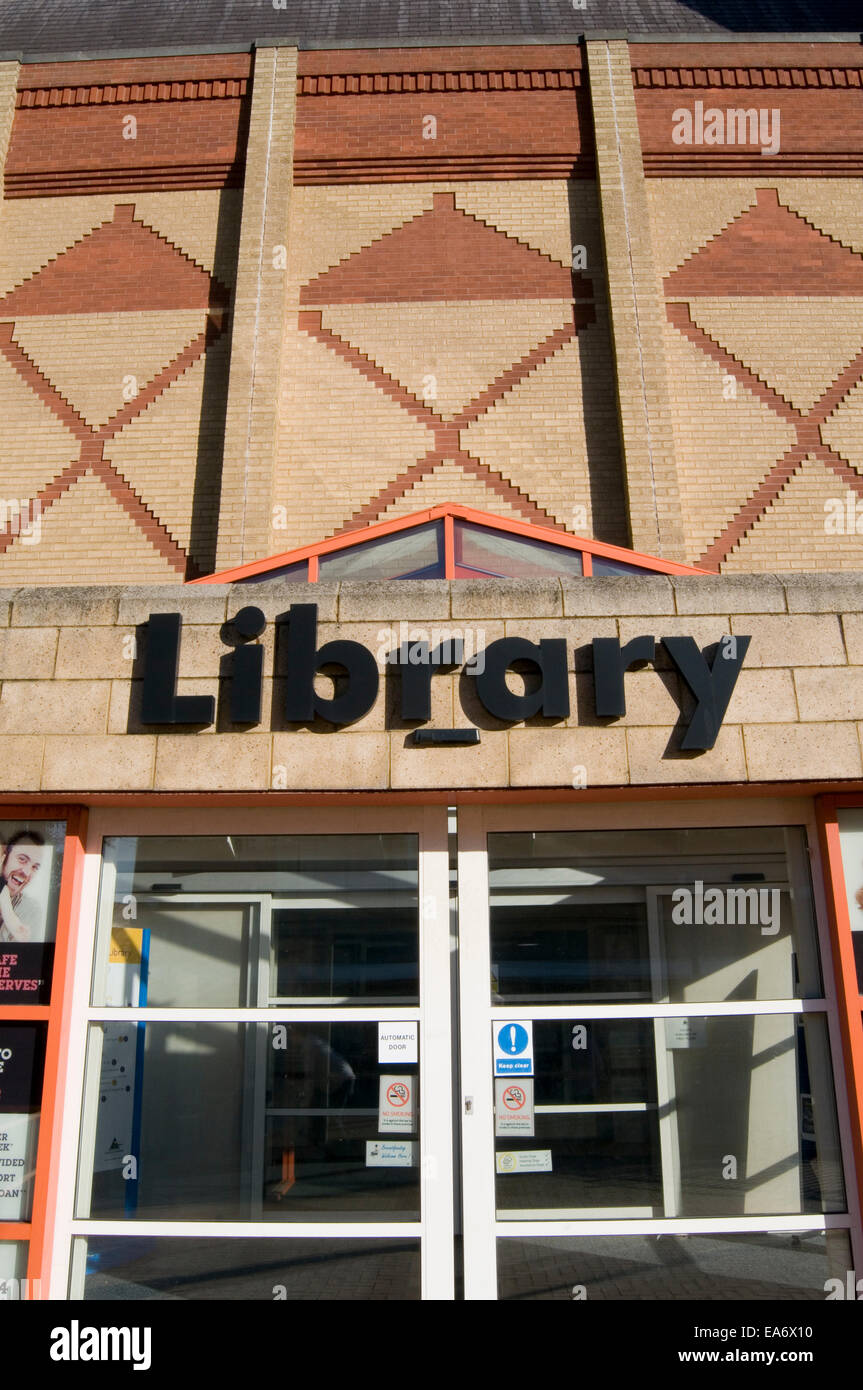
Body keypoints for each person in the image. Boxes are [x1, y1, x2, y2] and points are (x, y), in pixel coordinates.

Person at [0, 830, 46, 943]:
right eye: (22, 859)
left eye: (34, 867)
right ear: (4, 859)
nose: (26, 872)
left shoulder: (30, 910)